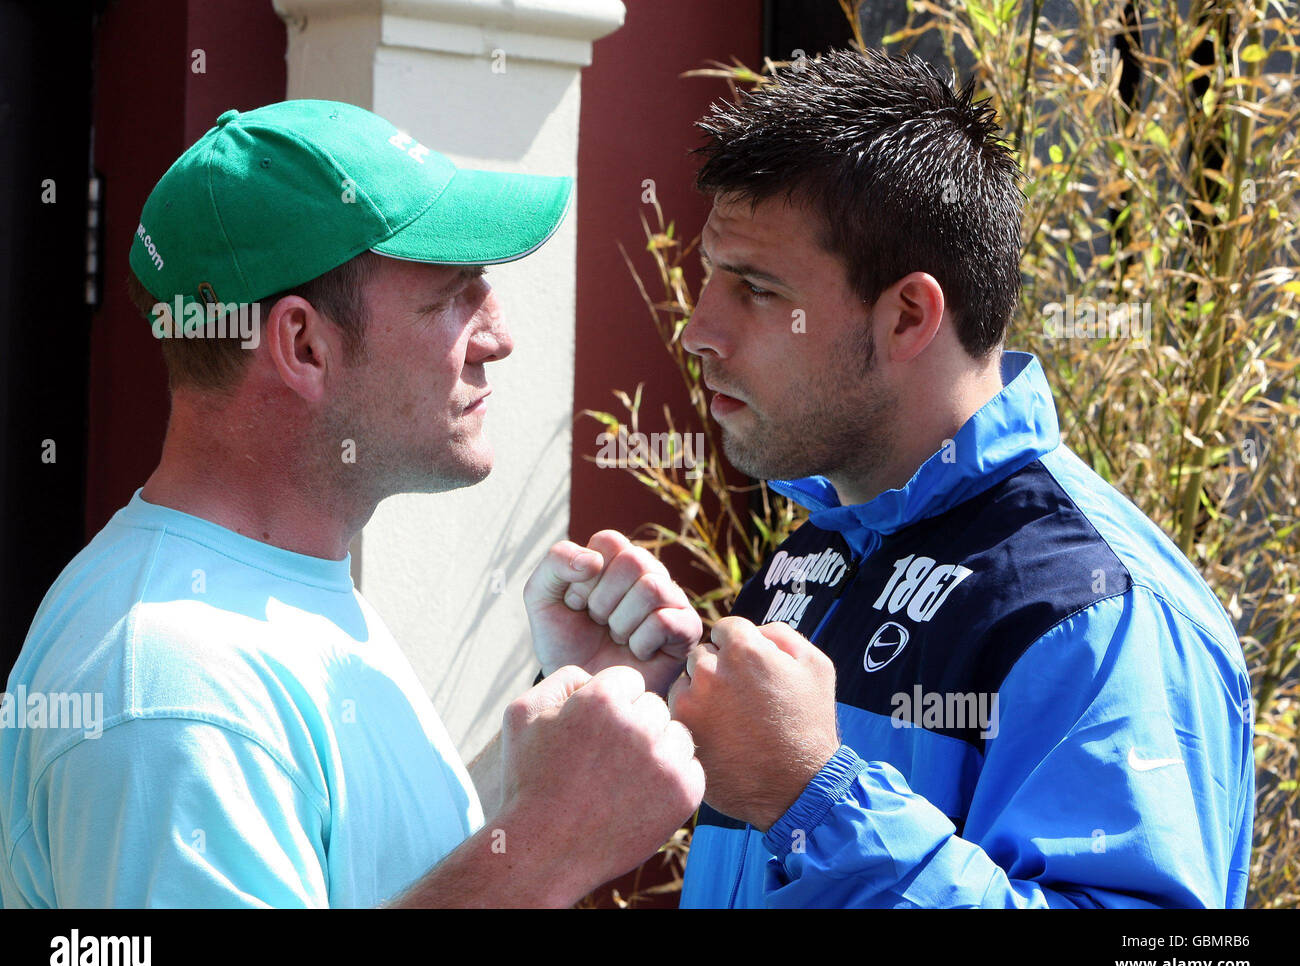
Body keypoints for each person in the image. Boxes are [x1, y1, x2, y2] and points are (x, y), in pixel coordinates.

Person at [0, 100, 704, 908]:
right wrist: (545, 843)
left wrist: (553, 740)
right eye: (451, 292)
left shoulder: (261, 598)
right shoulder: (176, 690)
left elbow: (356, 872)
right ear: (304, 345)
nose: (498, 334)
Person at [666, 48, 1254, 908]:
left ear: (908, 315)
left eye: (754, 288)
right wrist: (649, 697)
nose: (697, 329)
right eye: (709, 275)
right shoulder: (821, 549)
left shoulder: (1095, 608)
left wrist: (818, 799)